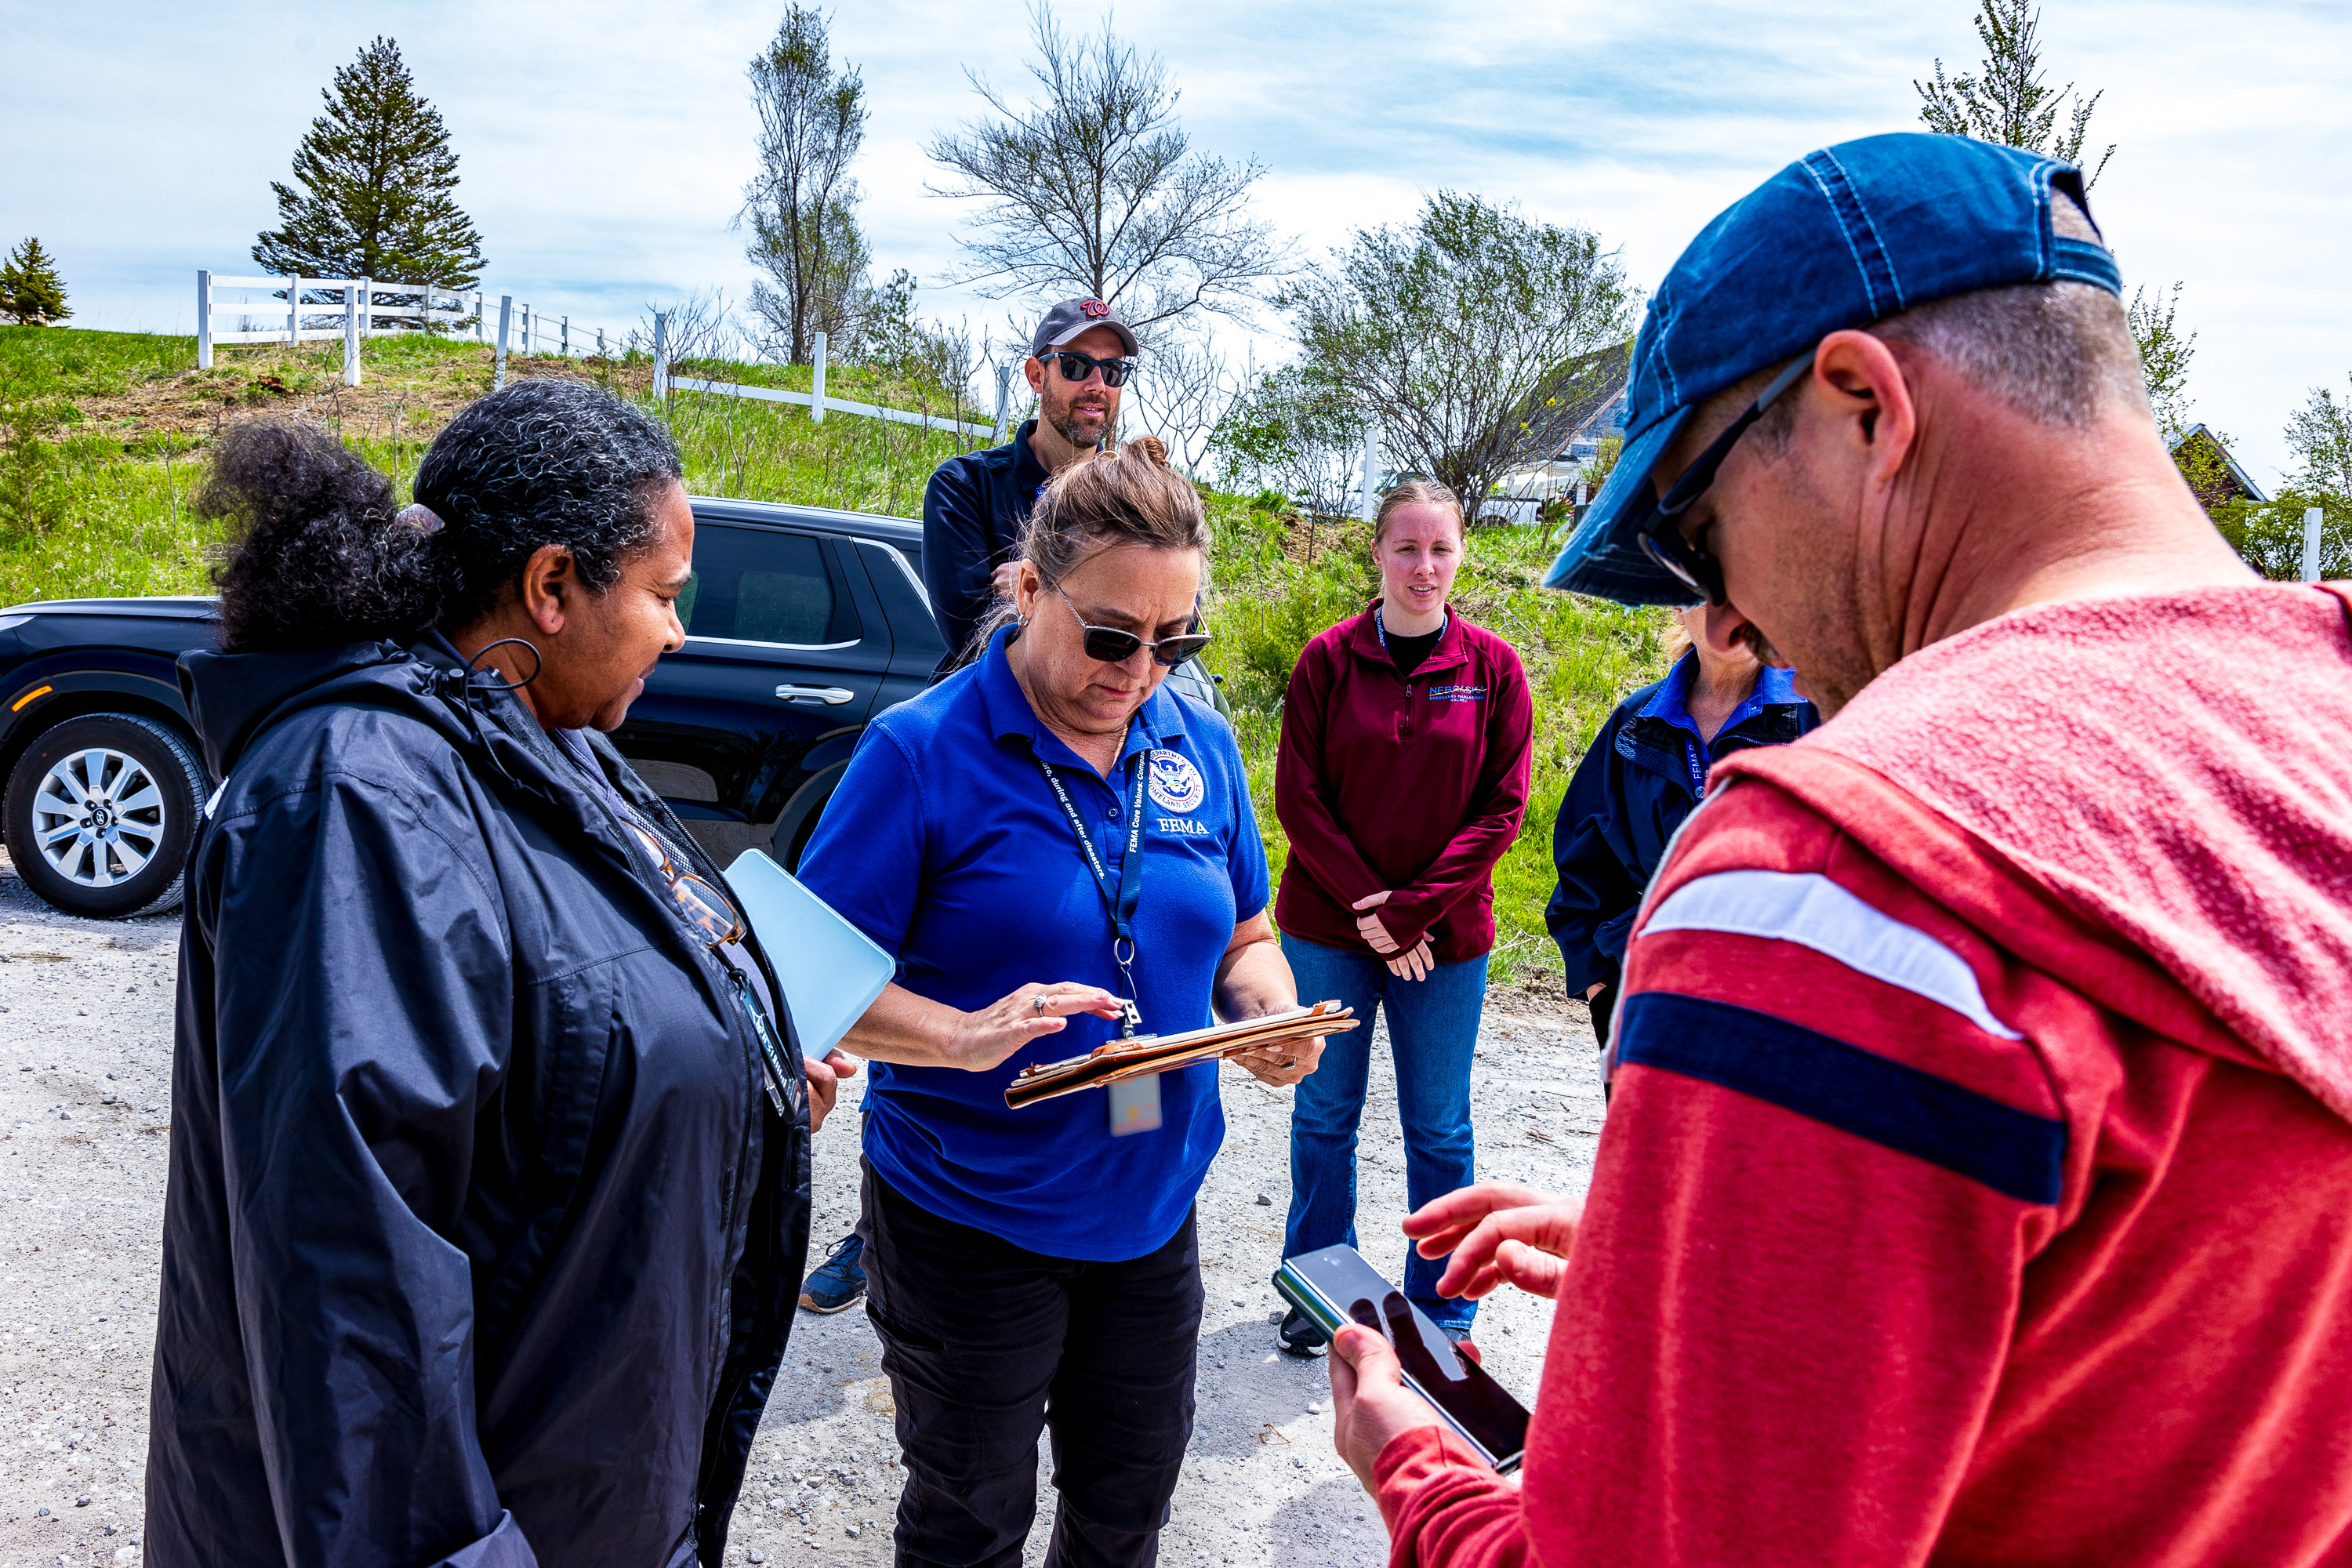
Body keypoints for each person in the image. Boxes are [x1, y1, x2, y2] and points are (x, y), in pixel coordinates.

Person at [1326, 131, 2352, 1563]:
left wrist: (1425, 1479)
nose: (1725, 616)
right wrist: (1725, 1250)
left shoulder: (1831, 882)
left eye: (1695, 533)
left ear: (1866, 404)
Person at [147, 384, 853, 1568]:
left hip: (593, 1496)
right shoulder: (359, 797)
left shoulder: (555, 742)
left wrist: (744, 1085)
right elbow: (352, 1297)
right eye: (666, 596)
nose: (680, 634)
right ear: (552, 586)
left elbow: (566, 1065)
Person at [797, 437, 1318, 1568]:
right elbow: (807, 981)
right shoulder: (921, 751)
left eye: (1176, 642)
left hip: (1149, 1213)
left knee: (1126, 1517)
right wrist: (961, 1035)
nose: (1141, 672)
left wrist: (1264, 1013)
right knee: (970, 1521)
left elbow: (1245, 931)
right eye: (1113, 635)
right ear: (1028, 590)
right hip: (967, 1220)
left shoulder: (1199, 740)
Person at [1269, 481, 1534, 1358]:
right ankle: (1318, 1284)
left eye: (1441, 550)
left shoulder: (1493, 669)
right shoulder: (1327, 661)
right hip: (1328, 930)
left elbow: (1503, 809)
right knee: (1323, 1111)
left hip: (1445, 938)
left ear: (1461, 556)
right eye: (1408, 548)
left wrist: (1415, 910)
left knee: (1439, 1124)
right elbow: (1299, 800)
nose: (1425, 567)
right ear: (1376, 553)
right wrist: (1372, 910)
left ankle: (1443, 1305)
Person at [1545, 601, 1816, 1044]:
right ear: (1676, 603)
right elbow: (1584, 864)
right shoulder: (1635, 722)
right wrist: (1601, 986)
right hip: (1646, 998)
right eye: (1711, 591)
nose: (1734, 607)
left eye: (1746, 585)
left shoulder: (1817, 717)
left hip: (1779, 1011)